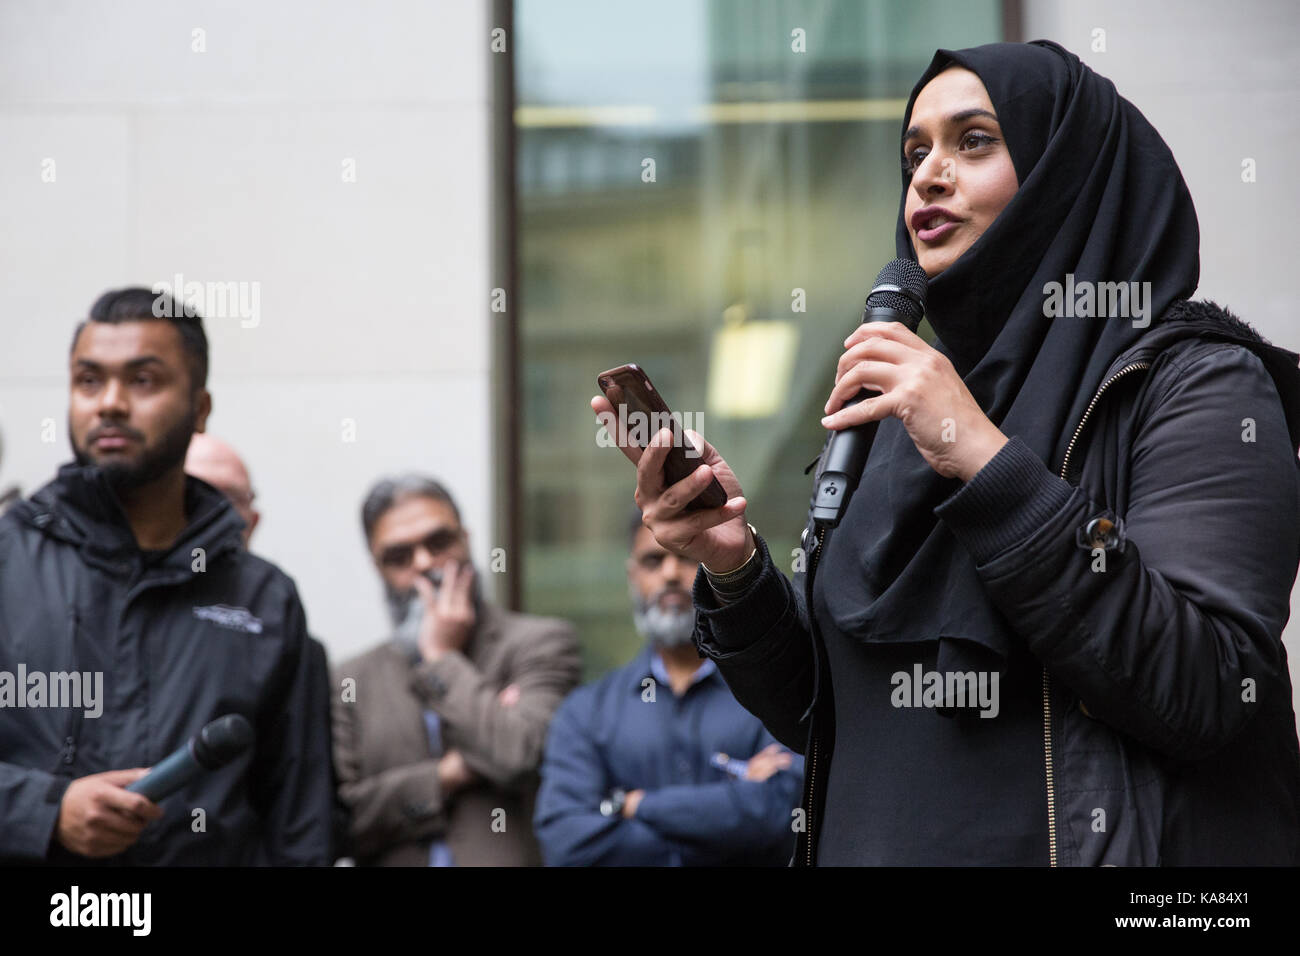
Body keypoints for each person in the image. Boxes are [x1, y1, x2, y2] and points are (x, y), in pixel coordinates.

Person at [591, 40, 1300, 866]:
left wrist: (983, 460)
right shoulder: (902, 417)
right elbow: (835, 722)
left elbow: (1206, 688)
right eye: (914, 151)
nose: (928, 175)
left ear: (1066, 176)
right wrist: (734, 568)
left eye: (974, 141)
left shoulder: (1194, 385)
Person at [0, 287, 335, 865]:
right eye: (88, 380)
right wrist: (46, 810)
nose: (109, 403)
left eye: (143, 380)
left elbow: (300, 827)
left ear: (200, 410)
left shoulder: (264, 600)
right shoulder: (7, 562)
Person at [332, 475, 582, 865]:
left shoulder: (541, 644)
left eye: (439, 542)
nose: (425, 563)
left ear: (465, 538)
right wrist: (451, 773)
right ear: (377, 567)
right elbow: (340, 819)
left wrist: (439, 657)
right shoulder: (349, 680)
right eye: (399, 556)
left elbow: (519, 756)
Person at [533, 508, 803, 866]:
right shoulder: (586, 713)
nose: (671, 573)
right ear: (633, 577)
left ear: (714, 564)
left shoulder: (775, 692)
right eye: (653, 560)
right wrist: (726, 821)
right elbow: (568, 843)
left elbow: (781, 816)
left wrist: (632, 805)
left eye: (687, 557)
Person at [184, 431, 348, 862]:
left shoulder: (281, 623)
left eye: (229, 500)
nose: (213, 513)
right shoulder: (106, 610)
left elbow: (303, 810)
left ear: (252, 521)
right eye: (197, 493)